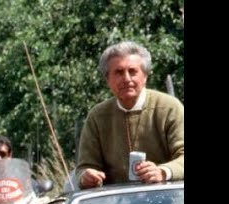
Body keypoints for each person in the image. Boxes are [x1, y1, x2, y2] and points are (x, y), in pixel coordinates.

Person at [75, 41, 184, 188]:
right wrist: (86, 177)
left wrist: (163, 172)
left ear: (145, 76)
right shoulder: (97, 116)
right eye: (119, 72)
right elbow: (84, 167)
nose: (126, 79)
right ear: (107, 79)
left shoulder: (169, 108)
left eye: (132, 71)